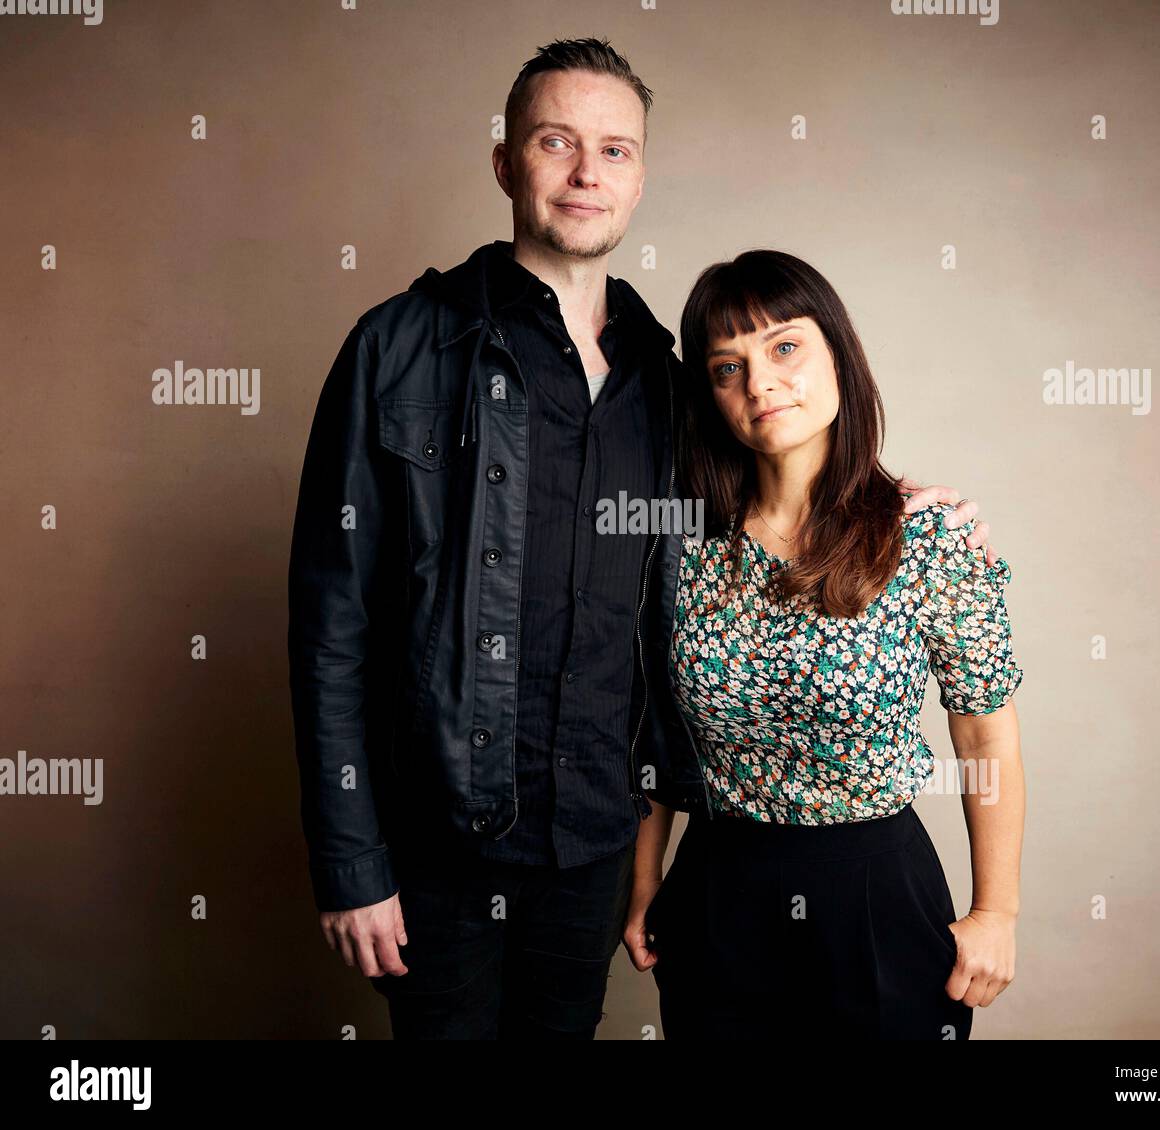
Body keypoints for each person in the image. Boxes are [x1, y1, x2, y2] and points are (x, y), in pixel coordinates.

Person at [287, 36, 1000, 1041]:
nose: (587, 171)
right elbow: (330, 629)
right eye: (555, 141)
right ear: (505, 162)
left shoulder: (667, 383)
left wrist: (902, 504)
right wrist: (351, 862)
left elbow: (775, 471)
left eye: (614, 149)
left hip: (590, 851)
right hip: (436, 854)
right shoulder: (399, 347)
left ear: (639, 175)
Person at [622, 249, 1026, 1039]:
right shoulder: (678, 548)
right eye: (726, 367)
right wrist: (643, 884)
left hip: (877, 890)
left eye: (784, 348)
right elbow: (651, 733)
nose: (761, 383)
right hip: (717, 891)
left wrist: (997, 911)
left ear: (838, 354)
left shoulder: (930, 536)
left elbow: (986, 732)